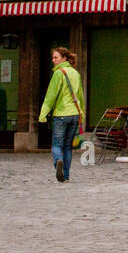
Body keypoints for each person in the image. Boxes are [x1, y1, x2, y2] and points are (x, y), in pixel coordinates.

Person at [39, 46, 85, 183]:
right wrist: (81, 112)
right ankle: (66, 176)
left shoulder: (58, 73)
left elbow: (50, 96)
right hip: (74, 115)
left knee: (57, 145)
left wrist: (43, 114)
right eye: (53, 58)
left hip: (61, 115)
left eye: (56, 57)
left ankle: (58, 162)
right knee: (68, 147)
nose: (53, 60)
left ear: (64, 58)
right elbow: (80, 95)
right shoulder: (76, 73)